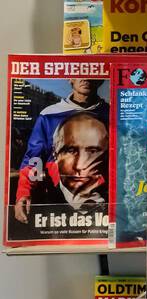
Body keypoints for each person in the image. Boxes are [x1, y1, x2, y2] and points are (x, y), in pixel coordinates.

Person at [15, 76, 109, 221]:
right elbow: (34, 158)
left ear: (100, 79)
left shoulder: (112, 114)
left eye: (91, 73)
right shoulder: (49, 115)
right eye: (80, 73)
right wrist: (24, 192)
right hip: (58, 206)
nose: (85, 79)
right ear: (69, 78)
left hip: (105, 206)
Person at [22, 115, 109, 216]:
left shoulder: (119, 194)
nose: (80, 165)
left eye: (92, 151)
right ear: (55, 153)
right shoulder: (41, 202)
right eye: (71, 151)